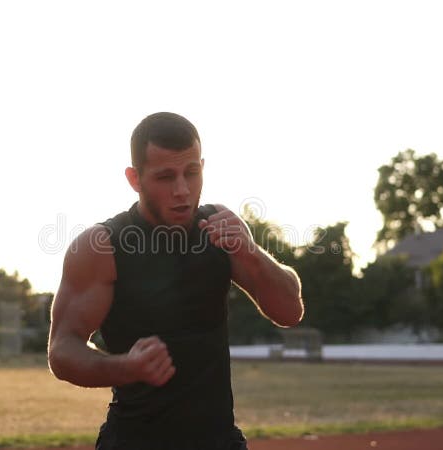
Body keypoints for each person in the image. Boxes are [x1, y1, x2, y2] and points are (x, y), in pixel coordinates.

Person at [47, 112, 304, 450]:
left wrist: (251, 253)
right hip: (134, 441)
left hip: (219, 440)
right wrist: (124, 367)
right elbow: (62, 350)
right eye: (165, 177)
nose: (182, 190)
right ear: (134, 178)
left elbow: (290, 311)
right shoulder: (102, 247)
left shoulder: (219, 227)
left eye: (192, 173)